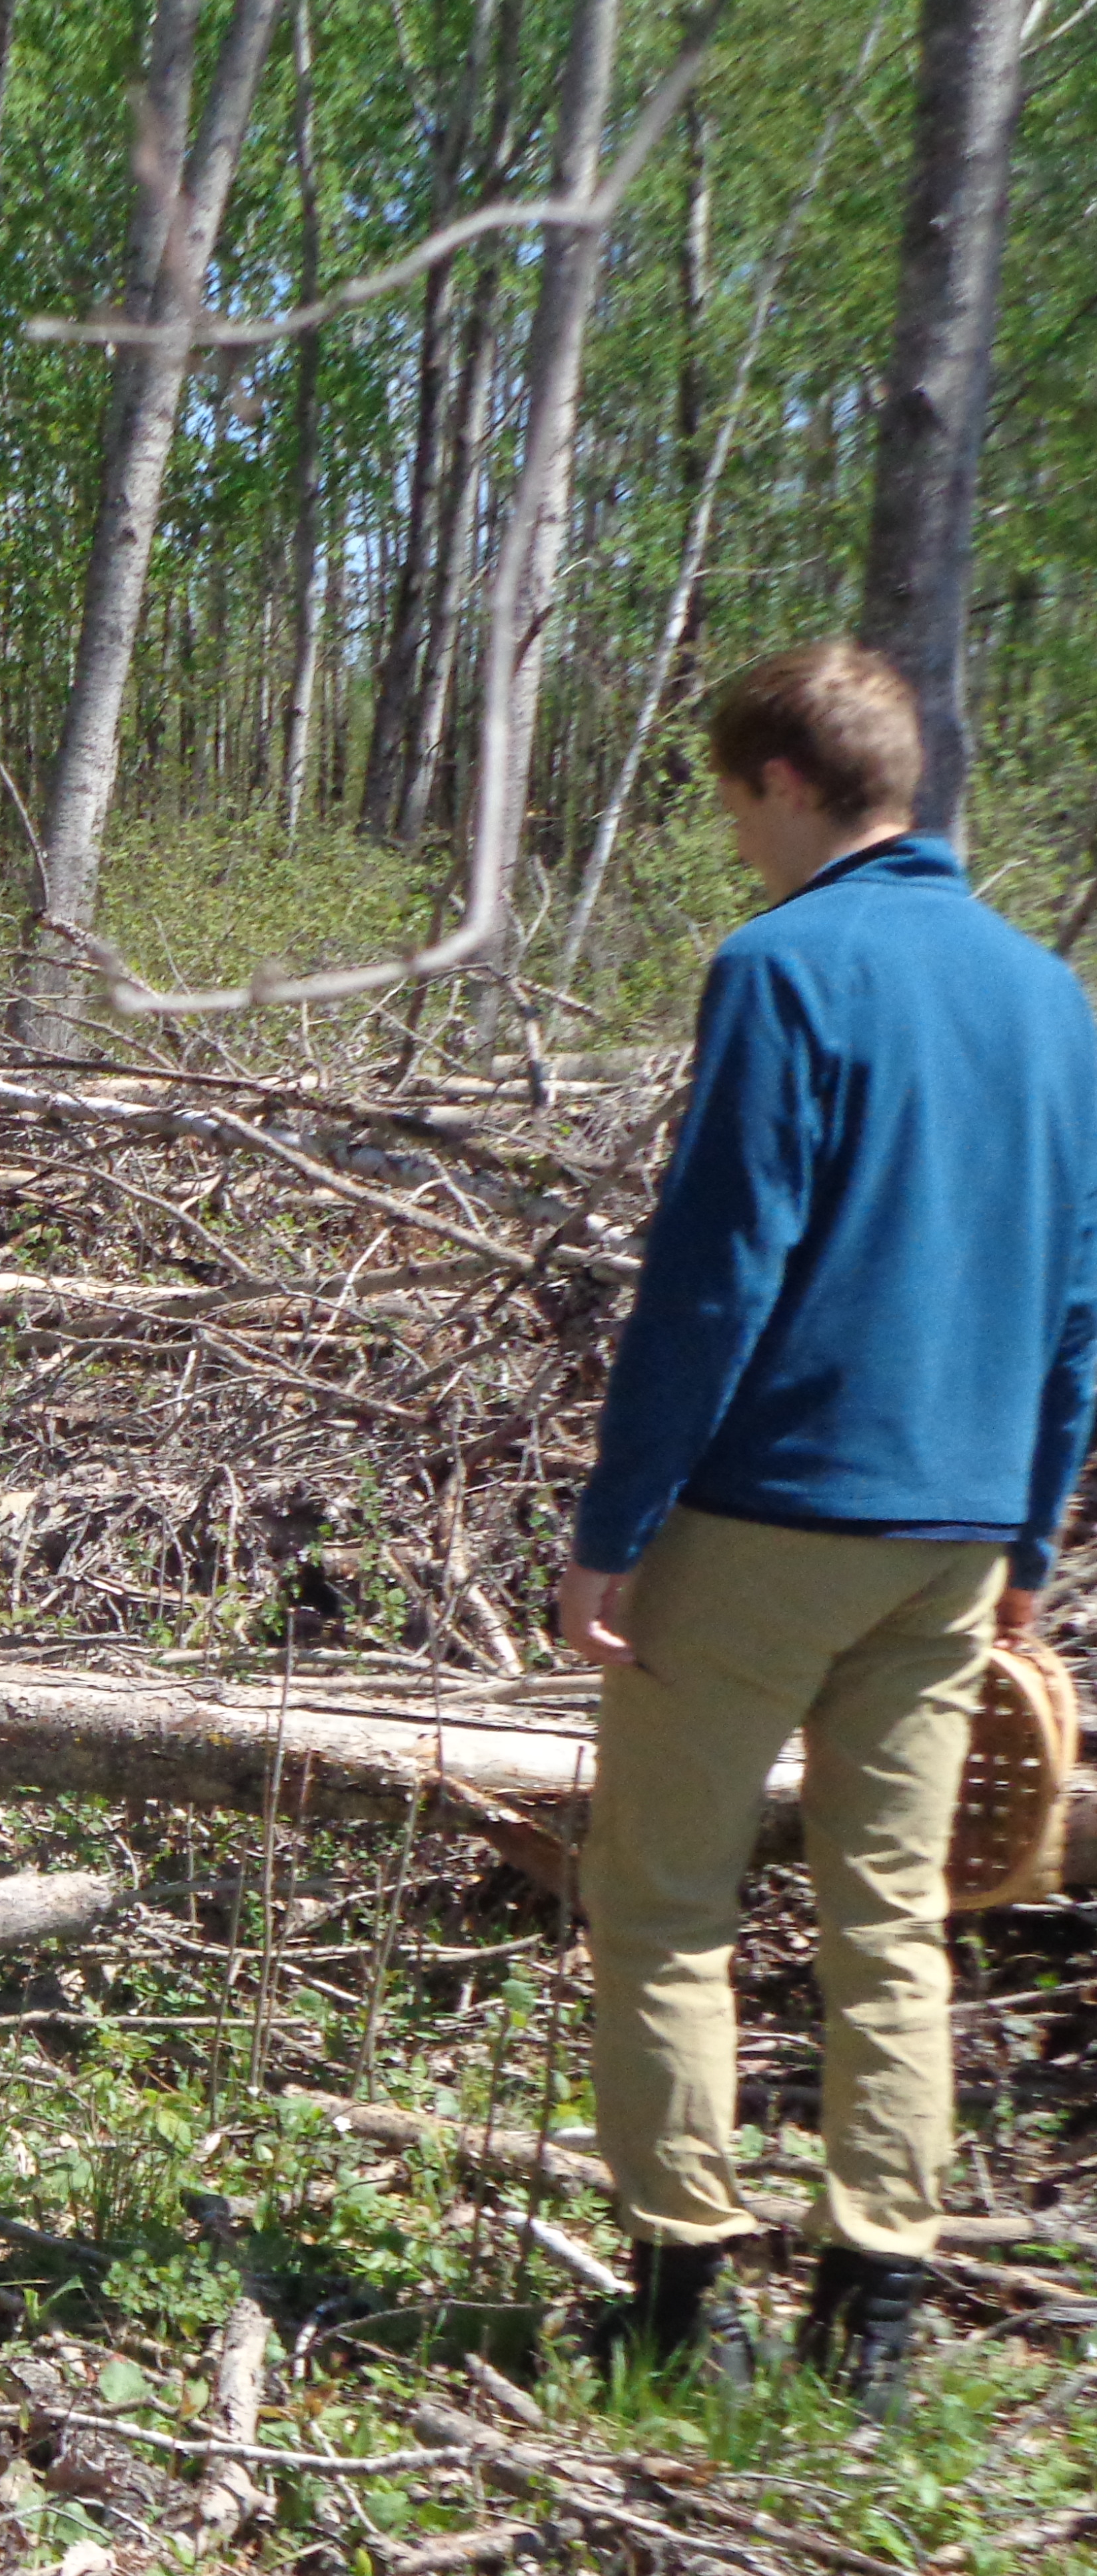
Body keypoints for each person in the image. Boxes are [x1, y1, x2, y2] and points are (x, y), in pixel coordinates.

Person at [556, 639, 1097, 2417]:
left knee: (666, 1907)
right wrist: (1032, 1524)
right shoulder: (1047, 997)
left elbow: (719, 1274)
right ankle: (872, 2313)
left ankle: (678, 2302)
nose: (734, 841)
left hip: (772, 1510)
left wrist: (618, 1518)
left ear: (787, 785)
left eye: (731, 804)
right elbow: (1078, 1292)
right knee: (892, 1923)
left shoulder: (784, 968)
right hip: (954, 1532)